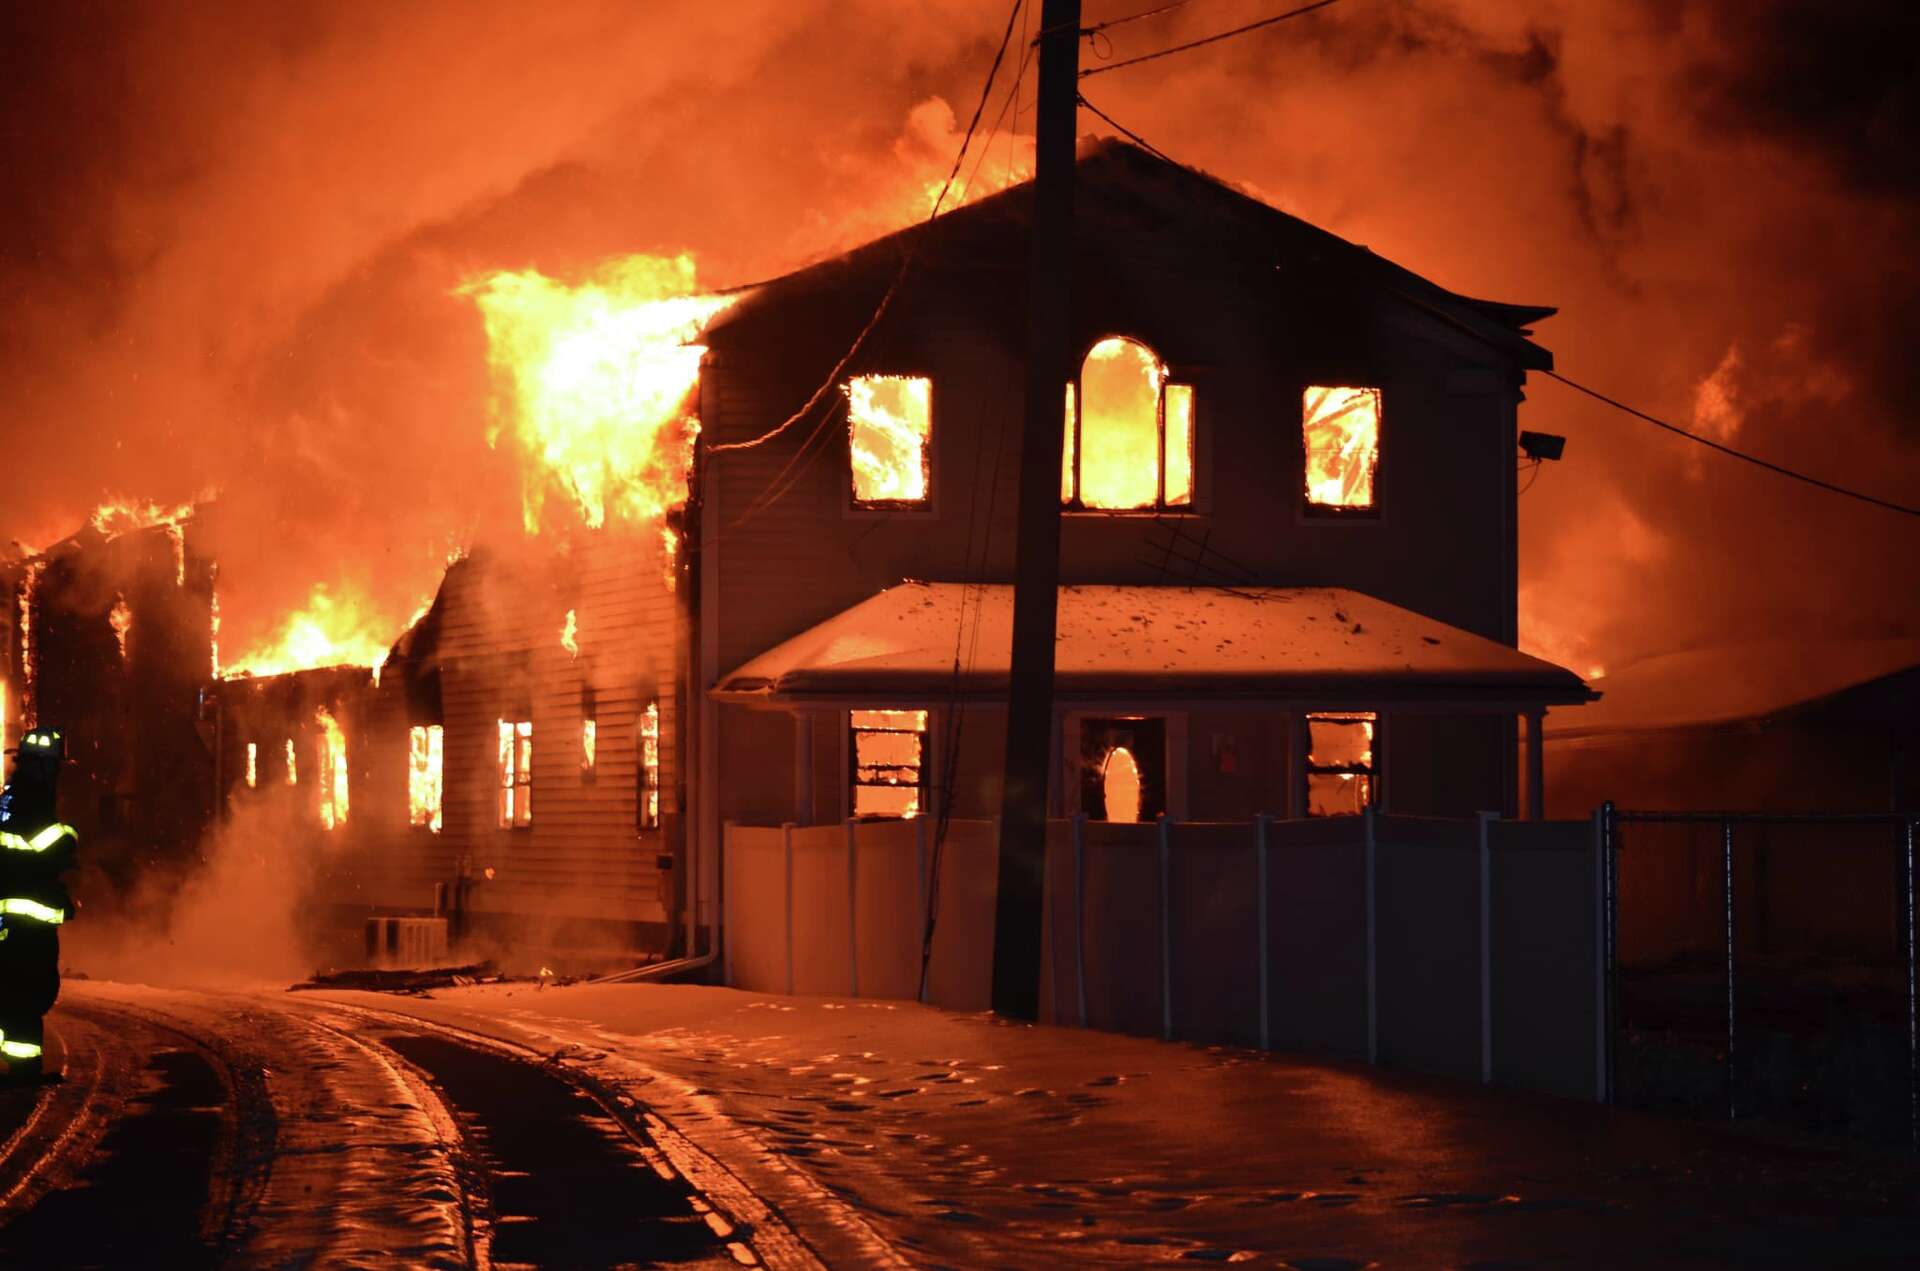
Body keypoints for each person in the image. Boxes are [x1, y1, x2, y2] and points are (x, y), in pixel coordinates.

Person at [0, 728, 77, 1081]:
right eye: (53, 766)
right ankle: (24, 1069)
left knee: (15, 992)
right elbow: (47, 847)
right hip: (24, 922)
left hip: (14, 919)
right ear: (42, 767)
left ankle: (22, 1065)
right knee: (27, 994)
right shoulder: (32, 802)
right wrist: (69, 836)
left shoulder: (12, 799)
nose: (56, 774)